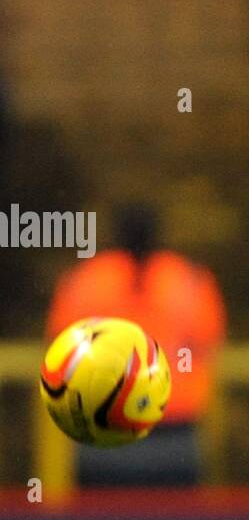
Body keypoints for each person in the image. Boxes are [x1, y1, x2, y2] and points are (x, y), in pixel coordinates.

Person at [46, 205, 226, 486]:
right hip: (174, 433)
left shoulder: (85, 280)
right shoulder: (190, 280)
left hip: (101, 431)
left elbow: (59, 349)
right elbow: (209, 344)